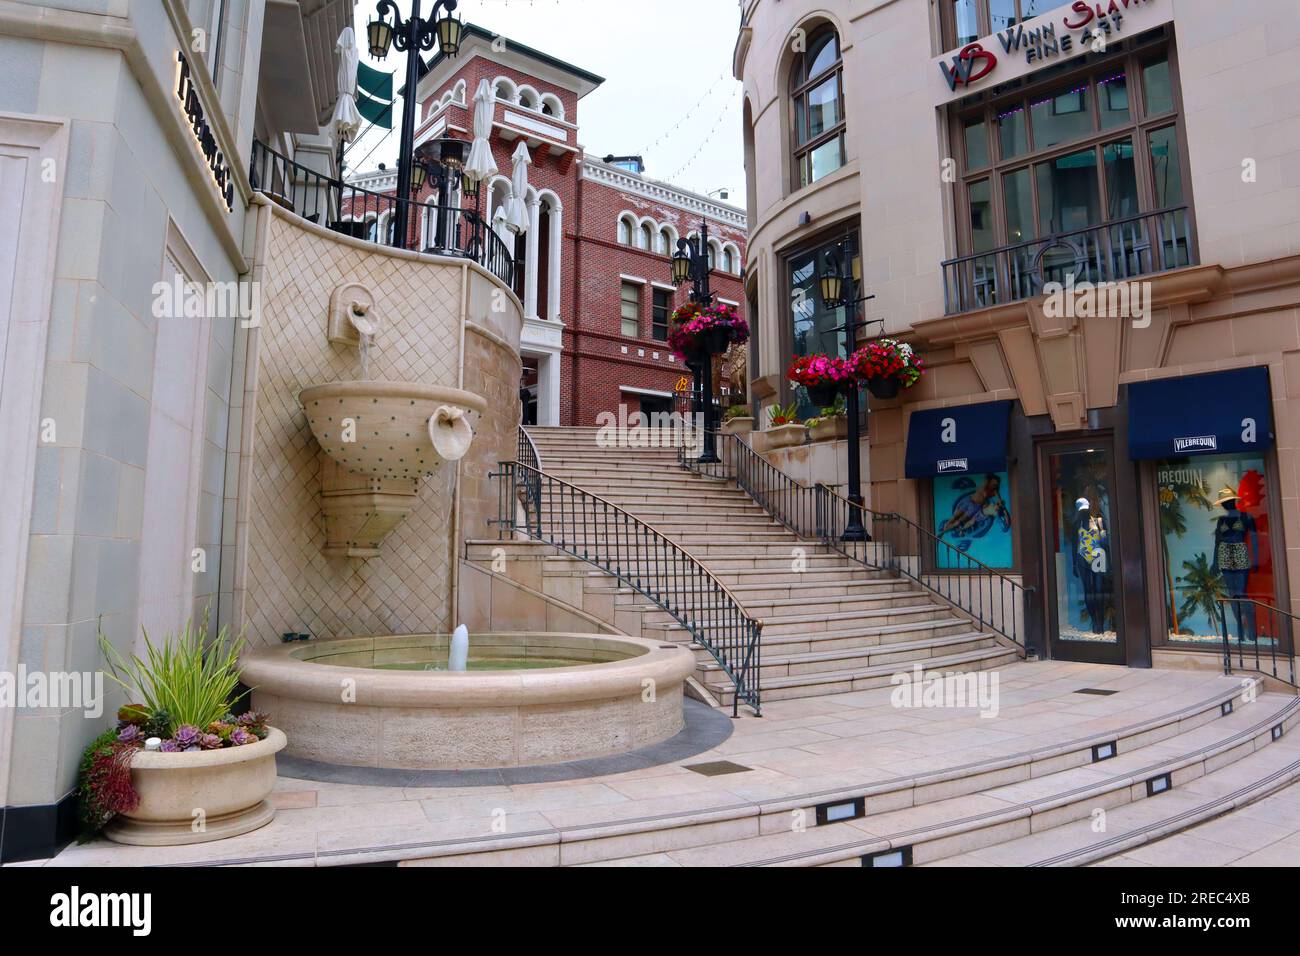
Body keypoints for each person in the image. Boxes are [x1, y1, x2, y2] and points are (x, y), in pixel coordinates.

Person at [1072, 497, 1109, 634]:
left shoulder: (1098, 520)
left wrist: (1108, 561)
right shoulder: (1076, 524)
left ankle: (1099, 621)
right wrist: (1074, 564)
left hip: (1097, 556)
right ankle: (1095, 621)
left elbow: (1105, 542)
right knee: (1090, 590)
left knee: (1098, 590)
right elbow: (1074, 545)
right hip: (1084, 557)